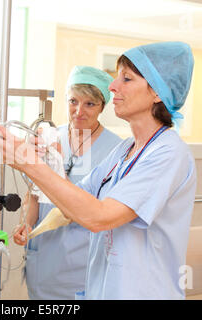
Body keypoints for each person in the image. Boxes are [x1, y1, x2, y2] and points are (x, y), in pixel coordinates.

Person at [0, 41, 197, 299]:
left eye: (126, 79)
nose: (113, 87)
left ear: (157, 92)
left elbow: (99, 217)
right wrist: (46, 162)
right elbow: (70, 207)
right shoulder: (124, 151)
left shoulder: (169, 154)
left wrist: (28, 163)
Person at [13, 66, 121, 300]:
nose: (79, 111)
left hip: (83, 259)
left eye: (89, 104)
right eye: (73, 101)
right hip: (44, 257)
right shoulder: (48, 137)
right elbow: (34, 192)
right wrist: (27, 225)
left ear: (102, 106)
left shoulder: (116, 149)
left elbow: (105, 212)